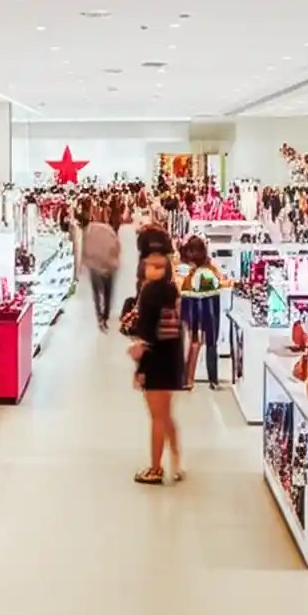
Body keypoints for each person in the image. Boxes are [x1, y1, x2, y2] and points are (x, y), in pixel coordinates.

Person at [130, 248, 185, 485]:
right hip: (171, 358)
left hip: (155, 361)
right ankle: (176, 459)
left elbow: (147, 336)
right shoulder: (171, 292)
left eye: (156, 266)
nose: (151, 269)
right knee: (165, 414)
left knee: (157, 417)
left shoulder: (150, 294)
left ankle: (155, 468)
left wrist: (141, 368)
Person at [179, 235, 224, 390]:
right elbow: (219, 282)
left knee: (193, 340)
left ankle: (187, 378)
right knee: (211, 341)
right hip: (211, 302)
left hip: (191, 302)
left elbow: (181, 286)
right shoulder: (210, 269)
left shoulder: (186, 270)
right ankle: (213, 378)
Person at [83, 199, 121, 331]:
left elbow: (86, 247)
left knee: (97, 293)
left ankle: (100, 316)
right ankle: (105, 316)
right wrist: (115, 261)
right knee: (108, 292)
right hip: (109, 266)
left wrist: (87, 261)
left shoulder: (90, 229)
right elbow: (117, 247)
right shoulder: (109, 230)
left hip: (95, 266)